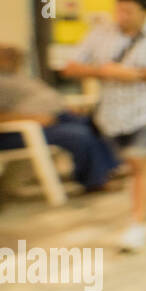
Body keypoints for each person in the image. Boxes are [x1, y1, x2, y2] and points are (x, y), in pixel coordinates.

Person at [62, 0, 146, 250]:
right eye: (119, 10)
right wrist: (103, 71)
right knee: (135, 164)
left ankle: (136, 226)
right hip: (113, 113)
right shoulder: (101, 34)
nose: (123, 16)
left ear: (145, 12)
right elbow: (71, 66)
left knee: (138, 159)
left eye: (129, 11)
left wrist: (136, 74)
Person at [0, 45, 120, 193]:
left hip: (56, 116)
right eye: (7, 55)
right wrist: (33, 118)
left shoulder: (15, 76)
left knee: (98, 124)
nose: (14, 59)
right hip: (23, 130)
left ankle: (109, 170)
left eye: (14, 55)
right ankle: (94, 182)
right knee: (79, 135)